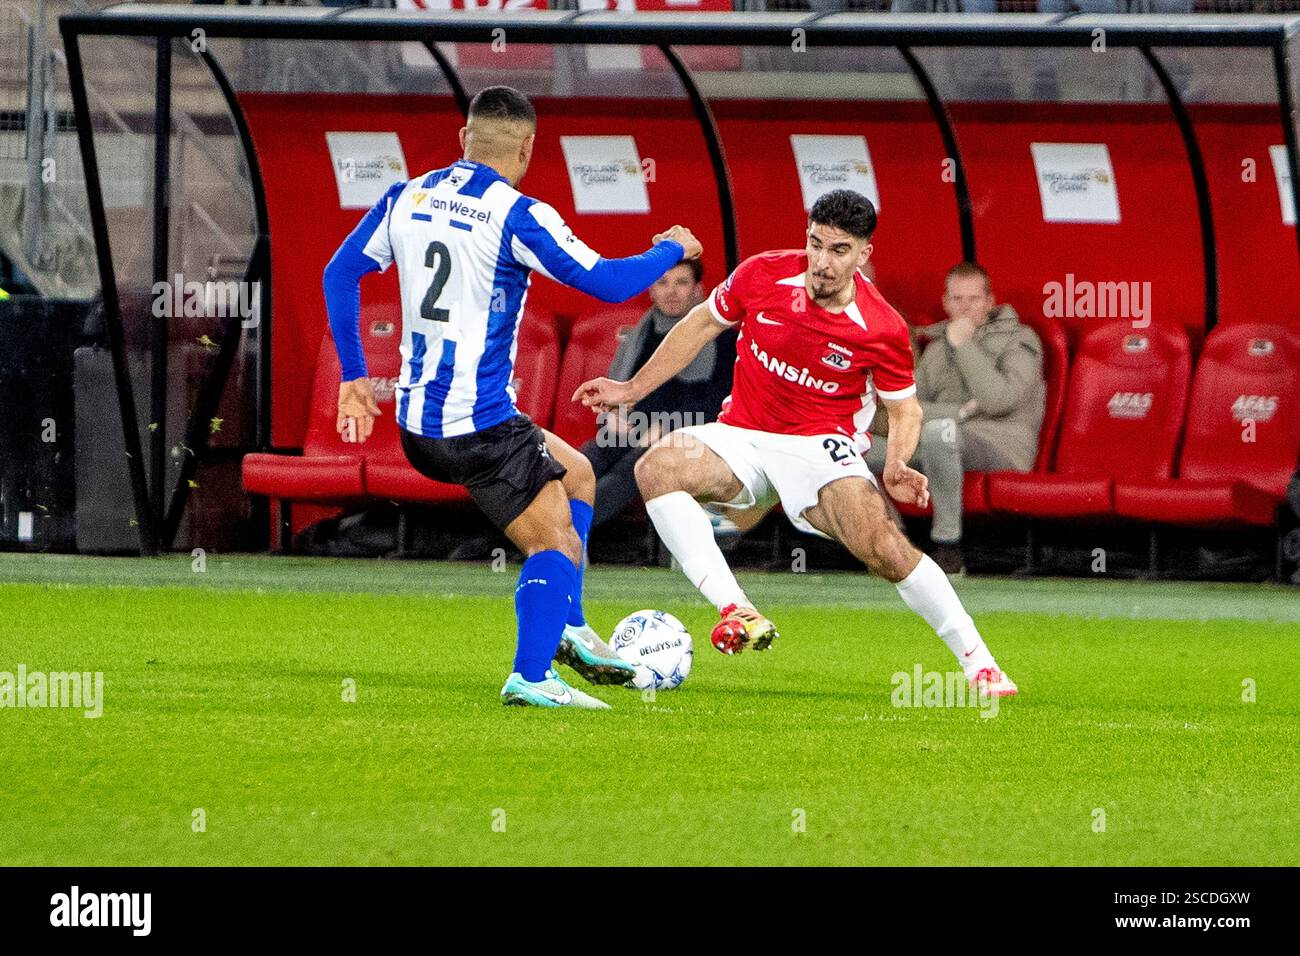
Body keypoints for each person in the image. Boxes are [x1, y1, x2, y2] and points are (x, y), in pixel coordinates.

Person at [323, 85, 702, 709]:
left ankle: (570, 627)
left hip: (419, 423)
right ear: (527, 147)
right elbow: (606, 282)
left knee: (578, 473)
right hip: (476, 426)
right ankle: (531, 676)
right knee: (553, 544)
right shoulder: (516, 213)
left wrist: (355, 376)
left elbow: (339, 273)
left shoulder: (406, 194)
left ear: (462, 139)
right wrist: (673, 248)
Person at [574, 189, 1017, 698]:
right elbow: (698, 326)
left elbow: (904, 408)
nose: (823, 263)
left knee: (886, 550)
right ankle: (735, 608)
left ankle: (979, 662)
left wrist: (895, 463)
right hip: (742, 434)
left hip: (819, 448)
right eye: (816, 244)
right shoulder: (761, 274)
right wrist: (631, 390)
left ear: (863, 255)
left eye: (839, 250)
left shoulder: (881, 327)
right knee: (656, 467)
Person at [867, 262, 1044, 573]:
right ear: (946, 303)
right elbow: (910, 407)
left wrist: (964, 346)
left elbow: (998, 399)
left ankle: (949, 546)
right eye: (957, 300)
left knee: (939, 432)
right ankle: (894, 541)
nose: (964, 308)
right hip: (941, 443)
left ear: (990, 302)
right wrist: (960, 412)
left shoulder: (1021, 339)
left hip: (1001, 446)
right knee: (855, 448)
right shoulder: (937, 347)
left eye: (973, 299)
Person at [581, 258, 734, 530]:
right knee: (585, 462)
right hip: (632, 425)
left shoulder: (723, 339)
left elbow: (719, 402)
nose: (671, 291)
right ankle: (544, 529)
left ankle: (565, 532)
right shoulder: (640, 333)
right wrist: (612, 414)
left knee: (631, 468)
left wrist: (666, 428)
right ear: (651, 291)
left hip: (689, 431)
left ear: (698, 289)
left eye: (682, 283)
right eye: (662, 283)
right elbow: (620, 386)